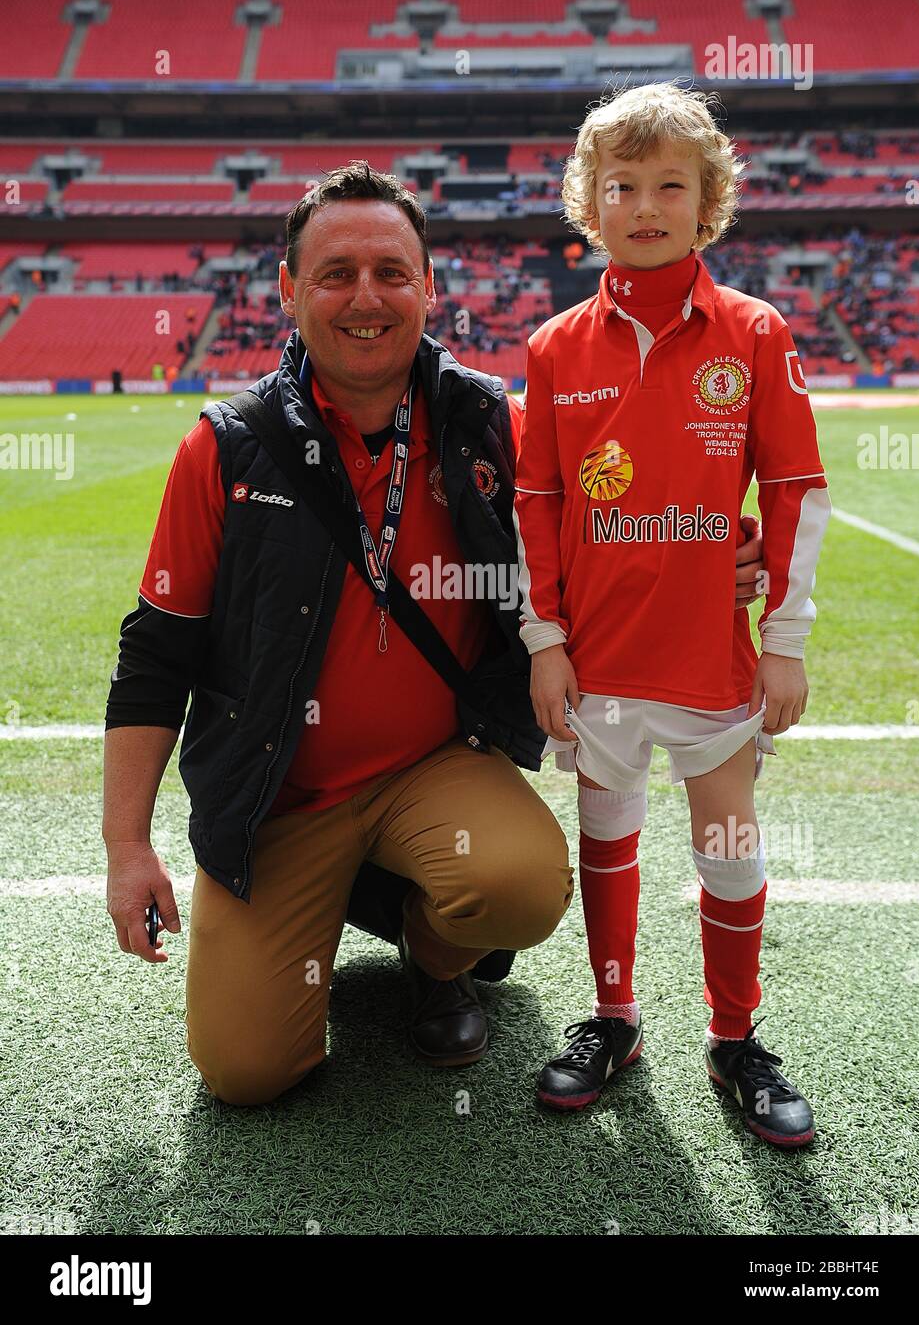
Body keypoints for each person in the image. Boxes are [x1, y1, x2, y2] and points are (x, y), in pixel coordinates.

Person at [102, 165, 574, 1106]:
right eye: (335, 273)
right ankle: (360, 897)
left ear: (430, 287)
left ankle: (431, 957)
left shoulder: (486, 426)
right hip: (282, 795)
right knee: (244, 1073)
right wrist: (127, 846)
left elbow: (582, 565)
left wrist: (720, 569)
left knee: (518, 887)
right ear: (288, 289)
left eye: (392, 272)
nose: (367, 297)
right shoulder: (229, 446)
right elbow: (157, 654)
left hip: (432, 767)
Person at [514, 83, 831, 1146]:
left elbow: (793, 490)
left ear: (708, 204)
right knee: (604, 834)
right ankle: (613, 1017)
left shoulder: (755, 331)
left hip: (710, 662)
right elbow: (536, 503)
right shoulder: (554, 346)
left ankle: (735, 1036)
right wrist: (543, 639)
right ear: (587, 202)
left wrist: (781, 643)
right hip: (597, 659)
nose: (644, 204)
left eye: (668, 185)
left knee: (728, 846)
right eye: (621, 185)